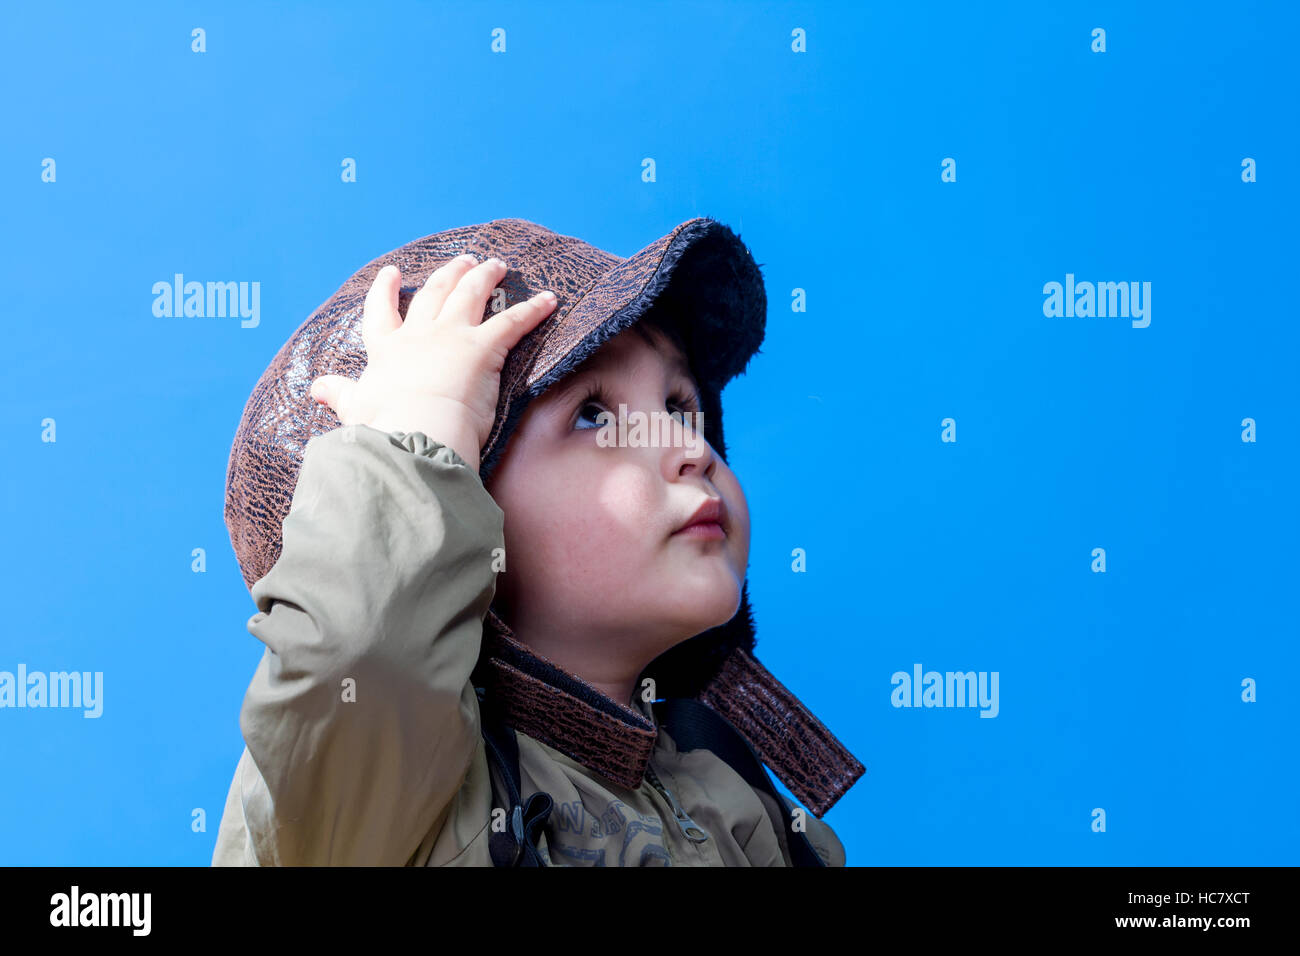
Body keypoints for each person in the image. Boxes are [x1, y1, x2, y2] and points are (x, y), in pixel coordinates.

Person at [212, 218, 864, 866]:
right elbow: (358, 651)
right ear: (457, 508)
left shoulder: (733, 792)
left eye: (679, 405)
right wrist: (417, 436)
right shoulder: (391, 791)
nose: (691, 448)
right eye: (593, 415)